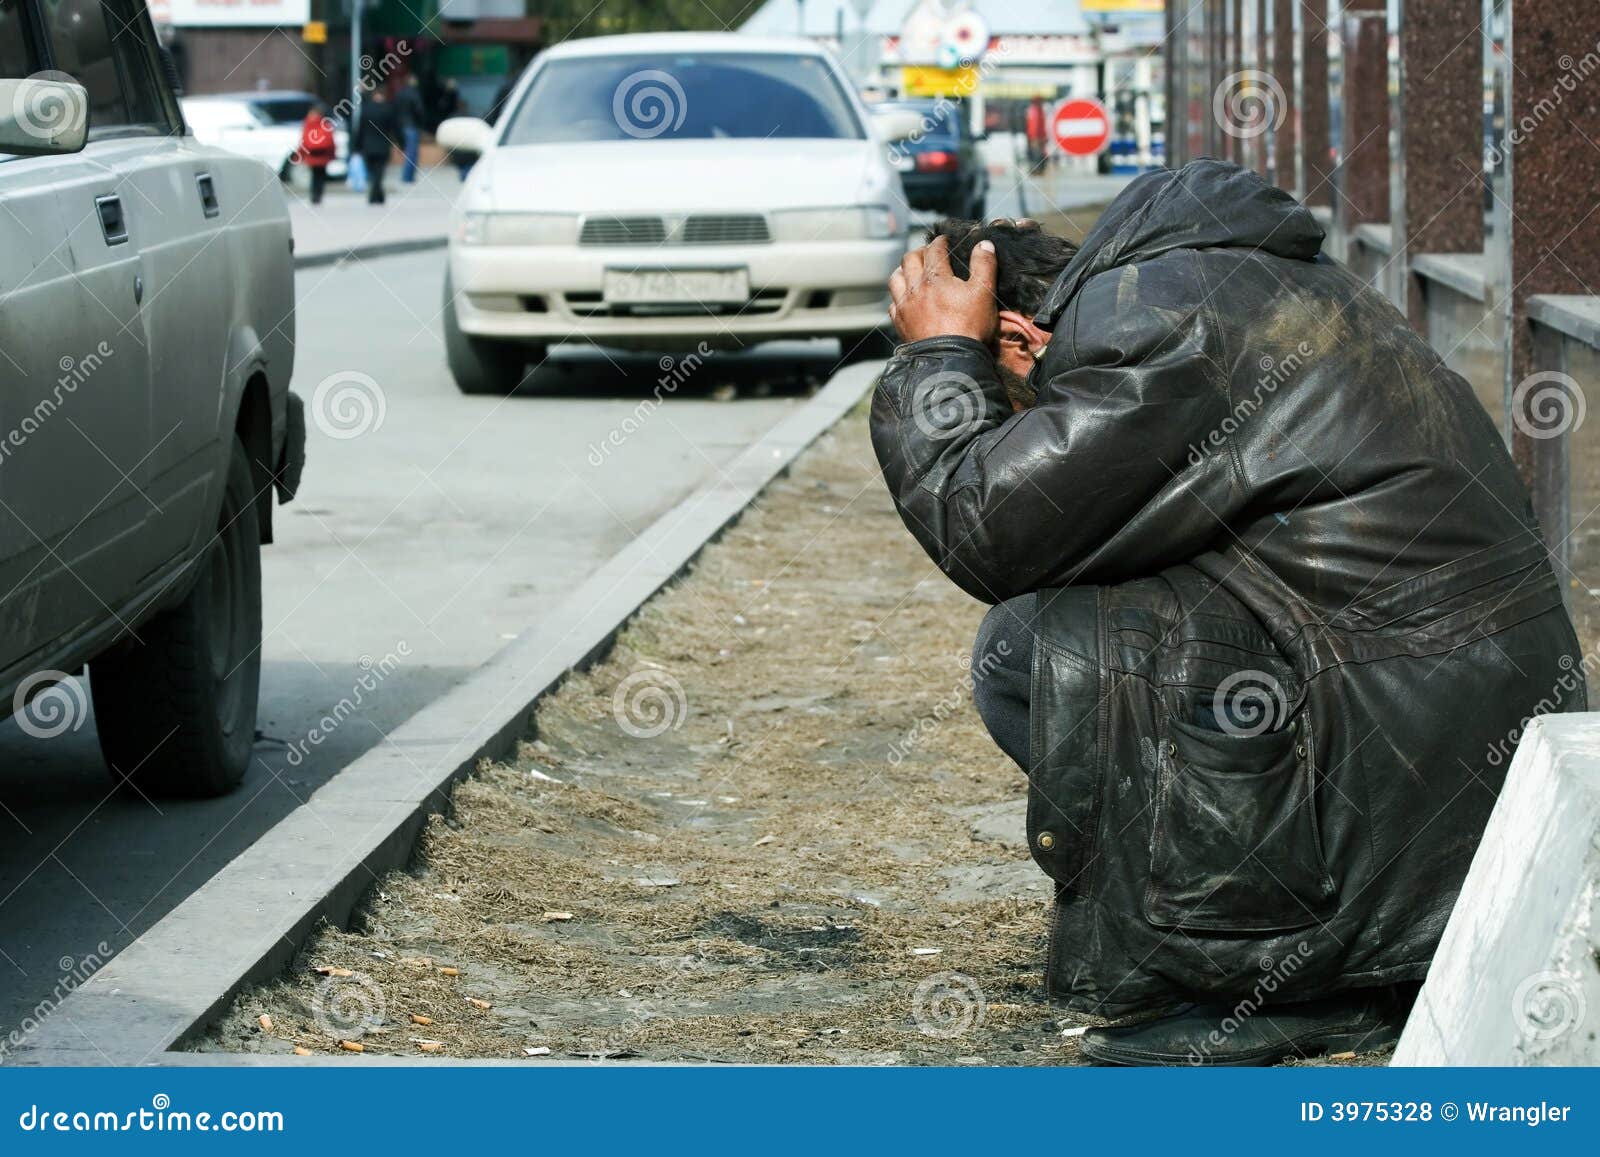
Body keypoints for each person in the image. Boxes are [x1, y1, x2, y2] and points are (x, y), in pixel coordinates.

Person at [870, 160, 1584, 1066]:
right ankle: (1296, 955)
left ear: (1014, 338)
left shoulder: (1151, 318)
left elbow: (992, 529)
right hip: (1424, 700)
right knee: (1095, 629)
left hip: (1410, 723)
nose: (1025, 416)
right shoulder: (1222, 282)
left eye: (1011, 402)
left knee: (1033, 647)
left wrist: (938, 357)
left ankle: (1303, 974)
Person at [353, 88, 399, 205]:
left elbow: (360, 130)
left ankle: (376, 195)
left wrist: (356, 147)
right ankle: (377, 195)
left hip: (368, 146)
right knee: (380, 171)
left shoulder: (366, 109)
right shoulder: (388, 109)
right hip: (383, 145)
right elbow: (393, 128)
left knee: (372, 172)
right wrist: (399, 143)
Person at [297, 101, 337, 205]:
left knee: (314, 175)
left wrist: (300, 153)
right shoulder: (325, 123)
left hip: (311, 155)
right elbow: (331, 141)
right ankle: (319, 194)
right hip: (323, 155)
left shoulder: (307, 123)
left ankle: (313, 195)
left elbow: (303, 140)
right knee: (321, 175)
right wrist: (332, 154)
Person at [397, 75, 425, 184]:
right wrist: (421, 123)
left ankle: (407, 176)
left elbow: (396, 109)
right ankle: (408, 176)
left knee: (408, 151)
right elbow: (419, 110)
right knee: (412, 152)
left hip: (402, 125)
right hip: (412, 125)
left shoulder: (400, 94)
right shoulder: (414, 94)